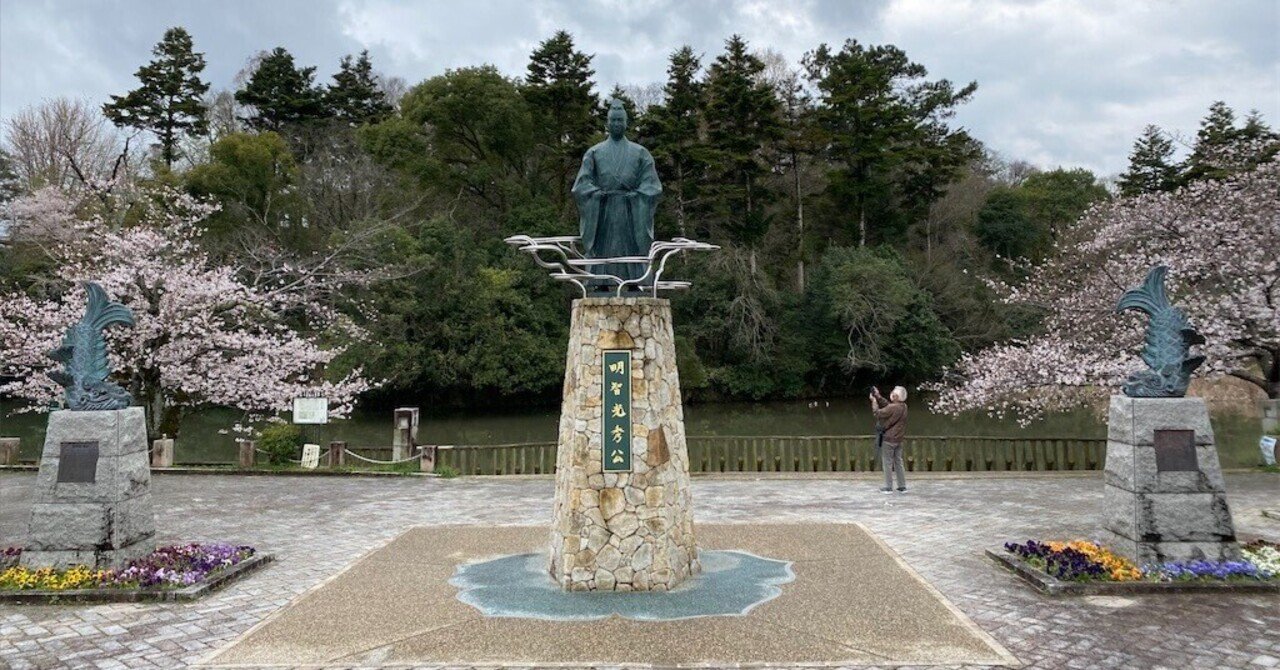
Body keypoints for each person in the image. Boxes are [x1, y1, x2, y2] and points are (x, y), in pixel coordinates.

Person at [571, 98, 662, 290]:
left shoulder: (640, 153)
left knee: (633, 246)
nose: (616, 124)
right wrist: (596, 195)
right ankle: (600, 283)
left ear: (626, 123)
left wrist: (638, 197)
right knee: (602, 249)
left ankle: (635, 283)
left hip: (632, 210)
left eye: (620, 120)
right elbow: (581, 186)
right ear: (607, 124)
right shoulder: (594, 152)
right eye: (613, 120)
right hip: (602, 209)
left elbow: (652, 186)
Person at [870, 386, 909, 493]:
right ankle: (902, 485)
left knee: (887, 463)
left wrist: (874, 401)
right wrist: (878, 396)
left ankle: (888, 486)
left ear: (896, 396)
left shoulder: (893, 408)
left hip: (889, 439)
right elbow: (888, 405)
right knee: (898, 462)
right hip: (899, 439)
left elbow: (877, 413)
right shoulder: (904, 406)